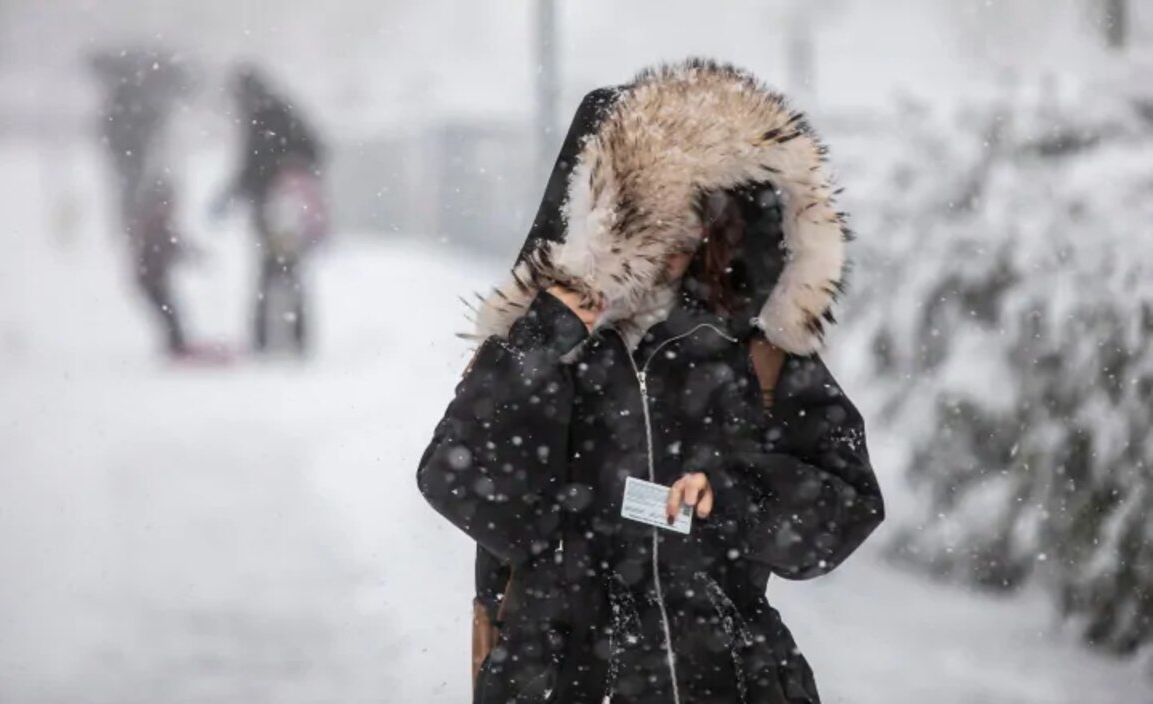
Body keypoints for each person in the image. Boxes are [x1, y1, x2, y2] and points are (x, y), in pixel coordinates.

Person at [417, 59, 884, 704]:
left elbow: (847, 504)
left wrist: (736, 496)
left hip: (729, 681)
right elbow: (460, 484)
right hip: (563, 679)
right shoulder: (543, 344)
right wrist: (544, 341)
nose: (671, 235)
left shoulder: (749, 348)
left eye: (692, 211)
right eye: (647, 206)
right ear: (599, 211)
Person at [89, 49, 200, 359]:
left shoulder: (129, 111)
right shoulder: (137, 115)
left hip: (142, 199)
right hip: (143, 201)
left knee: (162, 296)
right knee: (162, 296)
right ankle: (176, 342)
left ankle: (175, 341)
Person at [215, 65, 326, 356]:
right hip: (285, 210)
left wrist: (235, 193)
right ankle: (293, 338)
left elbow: (253, 166)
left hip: (277, 211)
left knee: (272, 273)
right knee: (287, 272)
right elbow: (313, 151)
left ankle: (267, 339)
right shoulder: (281, 111)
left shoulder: (262, 116)